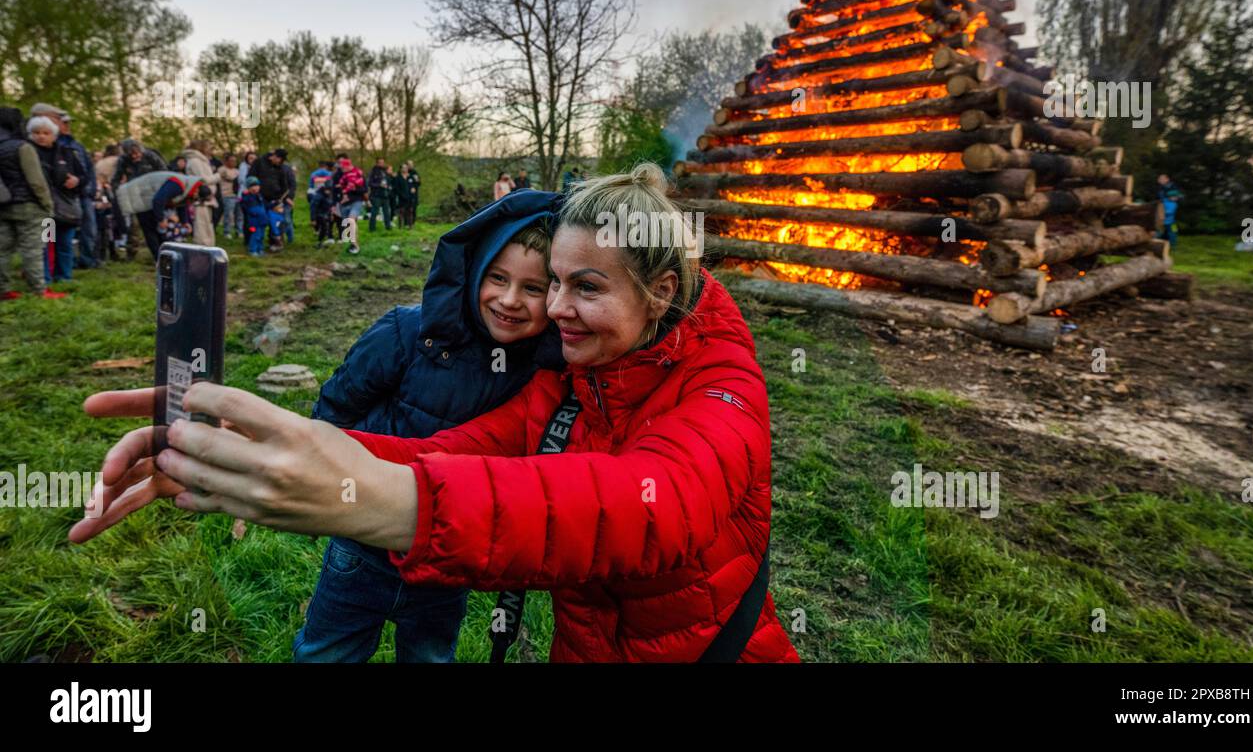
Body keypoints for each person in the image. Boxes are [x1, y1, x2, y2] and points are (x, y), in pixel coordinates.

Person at [72, 163, 800, 663]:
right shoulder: (581, 377)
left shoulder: (722, 383)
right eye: (555, 284)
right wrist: (282, 443)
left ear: (662, 290)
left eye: (585, 288)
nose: (553, 310)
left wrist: (390, 504)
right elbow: (458, 447)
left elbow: (653, 507)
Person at [296, 190, 562, 662]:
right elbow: (337, 407)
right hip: (363, 543)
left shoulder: (539, 375)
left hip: (447, 556)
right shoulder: (406, 332)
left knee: (430, 655)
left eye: (533, 288)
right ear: (474, 271)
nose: (509, 300)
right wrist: (323, 487)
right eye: (497, 278)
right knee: (328, 651)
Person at [0, 106, 64, 300]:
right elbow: (36, 181)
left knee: (2, 250)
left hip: (3, 205)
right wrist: (47, 204)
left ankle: (3, 289)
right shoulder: (22, 147)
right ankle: (39, 289)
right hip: (28, 206)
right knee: (33, 249)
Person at [35, 105, 98, 270]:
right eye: (62, 121)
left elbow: (87, 171)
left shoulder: (71, 147)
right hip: (48, 203)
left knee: (67, 239)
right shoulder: (33, 149)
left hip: (71, 201)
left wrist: (84, 185)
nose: (66, 125)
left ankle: (69, 270)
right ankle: (46, 274)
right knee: (48, 239)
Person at [28, 114, 85, 286]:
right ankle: (45, 278)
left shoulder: (66, 153)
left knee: (64, 244)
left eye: (45, 132)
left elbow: (84, 176)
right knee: (45, 244)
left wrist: (77, 181)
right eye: (37, 132)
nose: (41, 136)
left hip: (65, 209)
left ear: (53, 135)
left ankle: (64, 278)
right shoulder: (29, 153)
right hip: (44, 209)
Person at [113, 169, 209, 260]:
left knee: (159, 232)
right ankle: (159, 259)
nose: (195, 200)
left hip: (149, 199)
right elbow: (158, 199)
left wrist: (185, 222)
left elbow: (181, 203)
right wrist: (161, 219)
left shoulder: (188, 186)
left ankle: (165, 258)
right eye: (197, 198)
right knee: (150, 230)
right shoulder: (178, 185)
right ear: (197, 191)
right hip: (139, 196)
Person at [113, 139, 166, 261]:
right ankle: (157, 257)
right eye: (132, 155)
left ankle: (167, 255)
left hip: (155, 195)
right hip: (137, 198)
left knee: (160, 226)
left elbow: (164, 171)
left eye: (137, 153)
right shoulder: (123, 160)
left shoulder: (150, 156)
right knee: (147, 229)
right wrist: (119, 191)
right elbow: (116, 179)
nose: (136, 156)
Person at [250, 148, 295, 247]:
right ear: (275, 157)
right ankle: (255, 243)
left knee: (276, 221)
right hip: (259, 198)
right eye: (281, 159)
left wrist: (287, 197)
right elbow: (250, 177)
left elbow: (284, 185)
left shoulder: (280, 167)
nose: (281, 162)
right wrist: (253, 190)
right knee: (258, 221)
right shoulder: (259, 162)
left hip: (275, 199)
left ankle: (274, 242)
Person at [179, 140, 220, 246]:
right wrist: (218, 176)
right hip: (200, 200)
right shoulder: (195, 161)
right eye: (208, 147)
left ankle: (208, 250)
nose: (211, 151)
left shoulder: (201, 161)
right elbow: (203, 179)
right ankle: (202, 251)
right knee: (202, 228)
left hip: (207, 199)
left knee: (206, 226)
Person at [333, 154, 367, 255]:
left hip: (356, 201)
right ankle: (353, 243)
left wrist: (354, 188)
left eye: (343, 165)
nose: (341, 167)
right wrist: (334, 203)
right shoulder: (337, 175)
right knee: (348, 224)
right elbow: (334, 190)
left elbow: (364, 189)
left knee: (351, 220)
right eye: (339, 164)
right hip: (343, 203)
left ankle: (355, 245)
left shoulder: (358, 174)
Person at [308, 159, 336, 247]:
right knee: (324, 222)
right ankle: (323, 237)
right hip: (321, 204)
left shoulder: (313, 174)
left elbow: (311, 186)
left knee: (325, 222)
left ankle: (319, 232)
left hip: (315, 195)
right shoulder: (330, 174)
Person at [240, 176, 270, 256]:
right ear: (248, 188)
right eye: (252, 186)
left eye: (257, 186)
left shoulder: (260, 196)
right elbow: (244, 206)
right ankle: (253, 250)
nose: (255, 188)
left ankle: (260, 249)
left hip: (262, 220)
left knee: (261, 236)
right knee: (255, 236)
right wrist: (245, 195)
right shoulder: (247, 197)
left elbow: (265, 206)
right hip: (254, 222)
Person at [1156, 174, 1184, 249]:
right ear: (1170, 197)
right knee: (1160, 232)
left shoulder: (1173, 201)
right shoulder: (1166, 201)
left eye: (1162, 179)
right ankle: (1158, 243)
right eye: (1159, 179)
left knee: (1174, 231)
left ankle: (1173, 244)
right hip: (1165, 221)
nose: (1159, 180)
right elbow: (1164, 210)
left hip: (1171, 221)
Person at [217, 154, 242, 240]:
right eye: (231, 160)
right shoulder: (221, 170)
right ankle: (227, 232)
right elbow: (230, 178)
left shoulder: (237, 170)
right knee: (228, 215)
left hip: (237, 195)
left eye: (235, 161)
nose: (233, 162)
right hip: (227, 195)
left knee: (239, 215)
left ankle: (239, 231)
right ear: (226, 161)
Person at [368, 158, 393, 232]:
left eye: (383, 162)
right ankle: (372, 228)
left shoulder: (385, 171)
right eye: (380, 162)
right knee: (374, 212)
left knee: (387, 212)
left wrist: (388, 187)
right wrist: (379, 185)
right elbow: (369, 183)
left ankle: (388, 227)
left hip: (385, 195)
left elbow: (389, 181)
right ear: (377, 163)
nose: (382, 164)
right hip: (376, 195)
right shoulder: (373, 172)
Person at [390, 162, 414, 229]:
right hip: (401, 198)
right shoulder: (398, 177)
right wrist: (401, 195)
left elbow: (414, 185)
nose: (405, 169)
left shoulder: (410, 177)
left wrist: (413, 189)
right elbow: (396, 188)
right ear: (400, 169)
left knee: (410, 212)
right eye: (403, 168)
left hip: (410, 197)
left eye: (406, 168)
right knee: (401, 212)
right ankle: (400, 227)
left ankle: (410, 226)